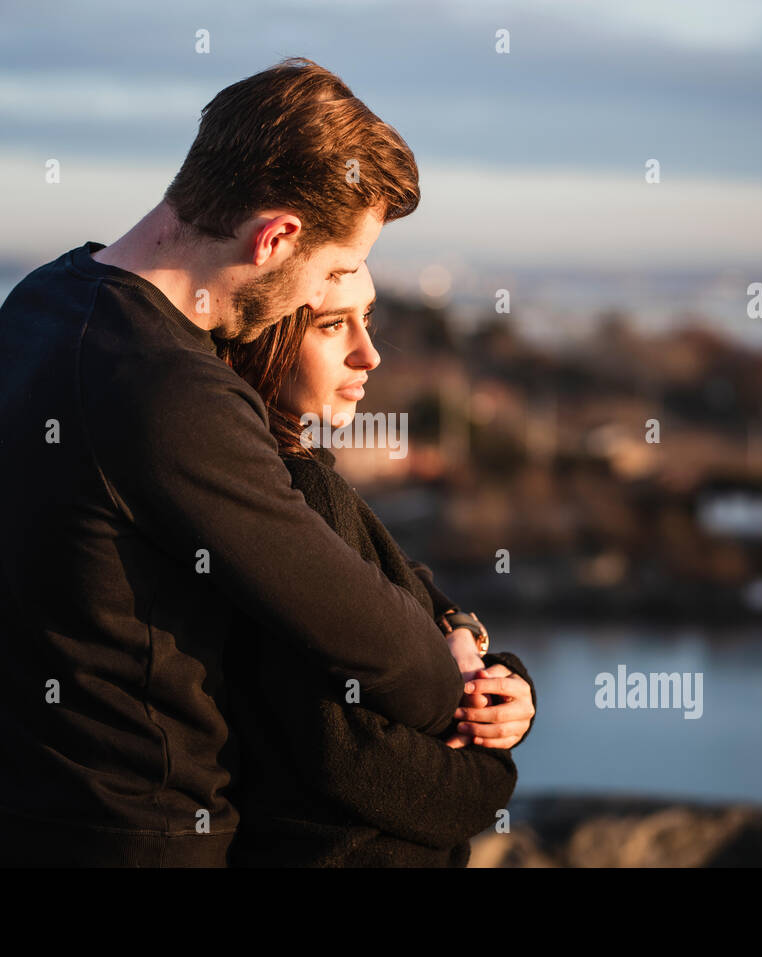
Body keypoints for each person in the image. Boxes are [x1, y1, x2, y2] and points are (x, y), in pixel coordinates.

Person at [0, 58, 506, 867]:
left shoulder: (41, 299)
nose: (324, 296)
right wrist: (458, 671)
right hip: (120, 842)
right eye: (332, 272)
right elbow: (377, 644)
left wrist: (453, 629)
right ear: (275, 238)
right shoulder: (169, 389)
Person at [220, 264, 536, 866]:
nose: (369, 354)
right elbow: (348, 756)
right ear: (262, 334)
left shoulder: (288, 474)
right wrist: (490, 767)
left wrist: (480, 653)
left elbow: (403, 585)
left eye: (368, 320)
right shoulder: (299, 489)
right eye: (333, 324)